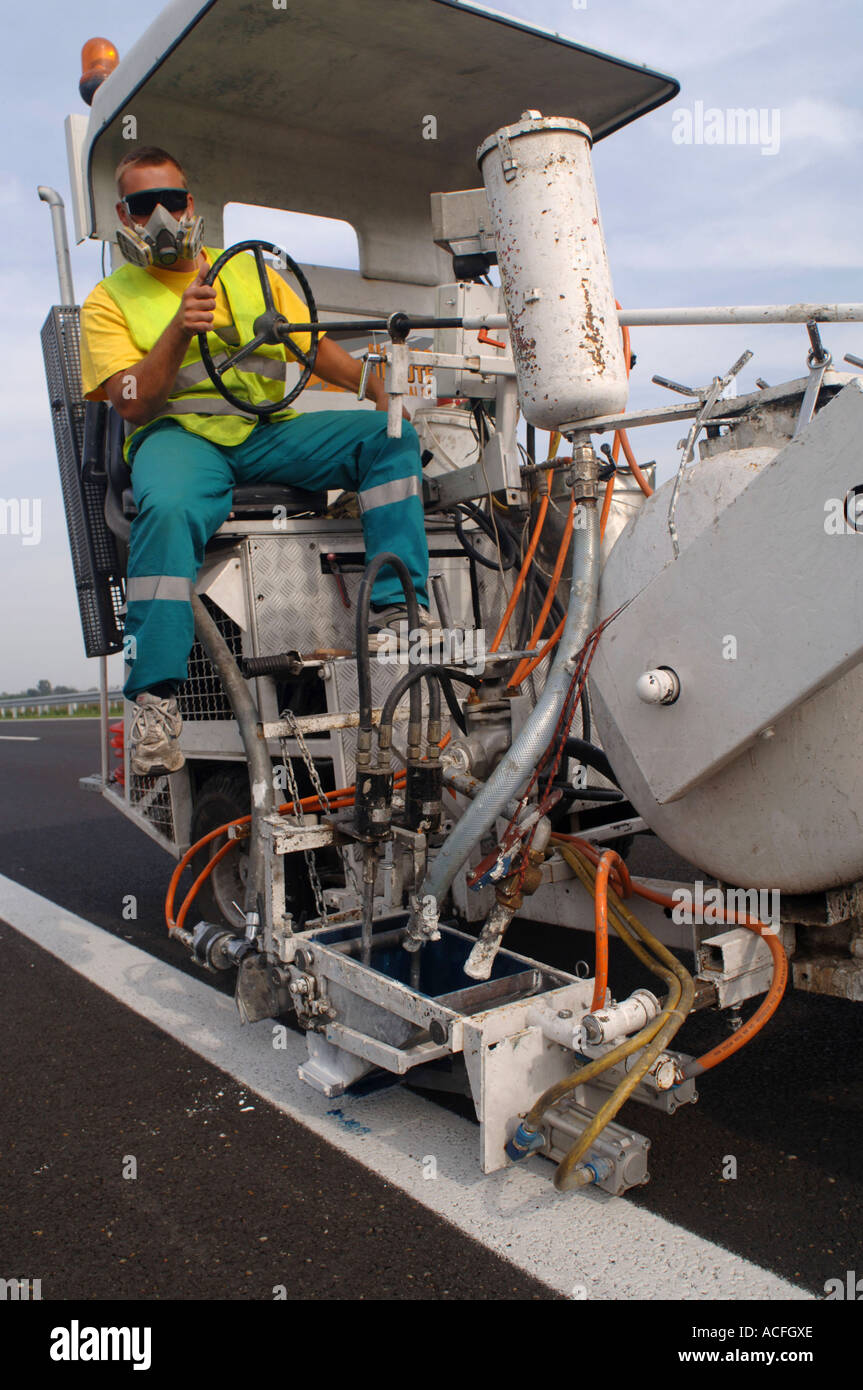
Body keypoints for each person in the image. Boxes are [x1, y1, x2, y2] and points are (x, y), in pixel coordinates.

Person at [79, 146, 432, 775]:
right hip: (180, 438)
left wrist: (376, 389)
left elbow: (309, 347)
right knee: (167, 508)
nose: (161, 215)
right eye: (142, 204)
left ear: (192, 204)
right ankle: (155, 701)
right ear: (123, 216)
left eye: (172, 200)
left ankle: (395, 608)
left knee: (389, 438)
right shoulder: (110, 300)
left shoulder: (247, 272)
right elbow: (129, 402)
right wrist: (180, 330)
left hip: (266, 430)